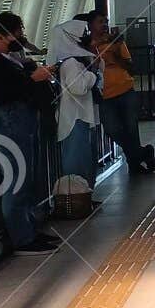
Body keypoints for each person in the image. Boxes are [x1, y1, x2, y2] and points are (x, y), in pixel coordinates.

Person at [0, 12, 58, 253]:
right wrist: (33, 78)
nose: (21, 37)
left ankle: (29, 229)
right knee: (16, 181)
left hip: (23, 124)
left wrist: (33, 74)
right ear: (0, 37)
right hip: (11, 127)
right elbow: (5, 93)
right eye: (16, 33)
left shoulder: (12, 58)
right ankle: (20, 238)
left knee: (27, 179)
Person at [90, 13, 155, 176]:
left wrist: (115, 56)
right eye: (100, 22)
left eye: (106, 21)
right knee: (112, 129)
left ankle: (135, 165)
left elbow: (131, 67)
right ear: (90, 25)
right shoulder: (86, 45)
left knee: (131, 129)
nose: (104, 25)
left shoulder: (117, 42)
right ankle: (143, 153)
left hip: (125, 90)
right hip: (104, 95)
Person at [51, 17, 102, 216]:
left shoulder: (76, 60)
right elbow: (78, 87)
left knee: (86, 160)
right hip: (75, 119)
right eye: (84, 34)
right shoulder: (71, 63)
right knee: (76, 163)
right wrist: (93, 73)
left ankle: (84, 199)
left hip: (82, 117)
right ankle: (74, 202)